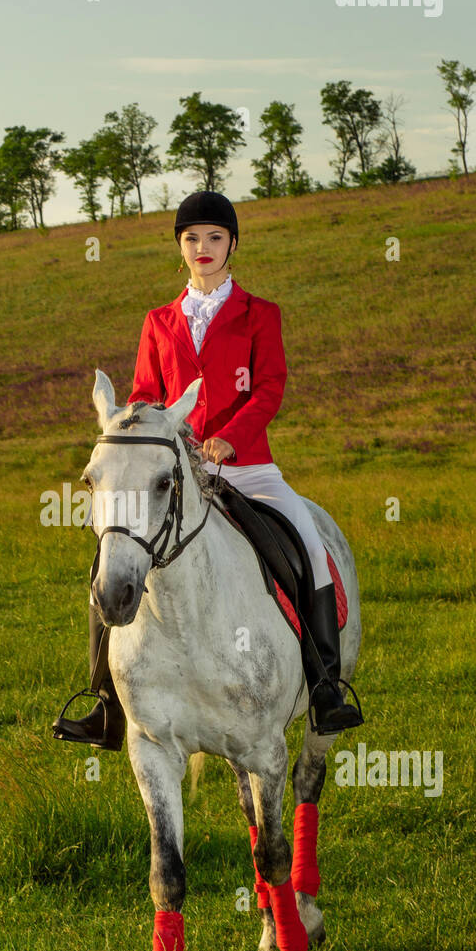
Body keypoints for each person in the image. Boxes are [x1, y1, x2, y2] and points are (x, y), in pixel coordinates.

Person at [52, 189, 364, 750]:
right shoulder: (159, 321)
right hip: (175, 477)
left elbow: (269, 388)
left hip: (248, 469)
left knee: (313, 549)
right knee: (111, 559)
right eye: (192, 238)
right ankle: (105, 704)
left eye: (214, 238)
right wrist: (150, 437)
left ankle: (324, 688)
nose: (203, 247)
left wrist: (229, 439)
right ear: (180, 247)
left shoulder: (259, 314)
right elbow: (148, 394)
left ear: (232, 245)